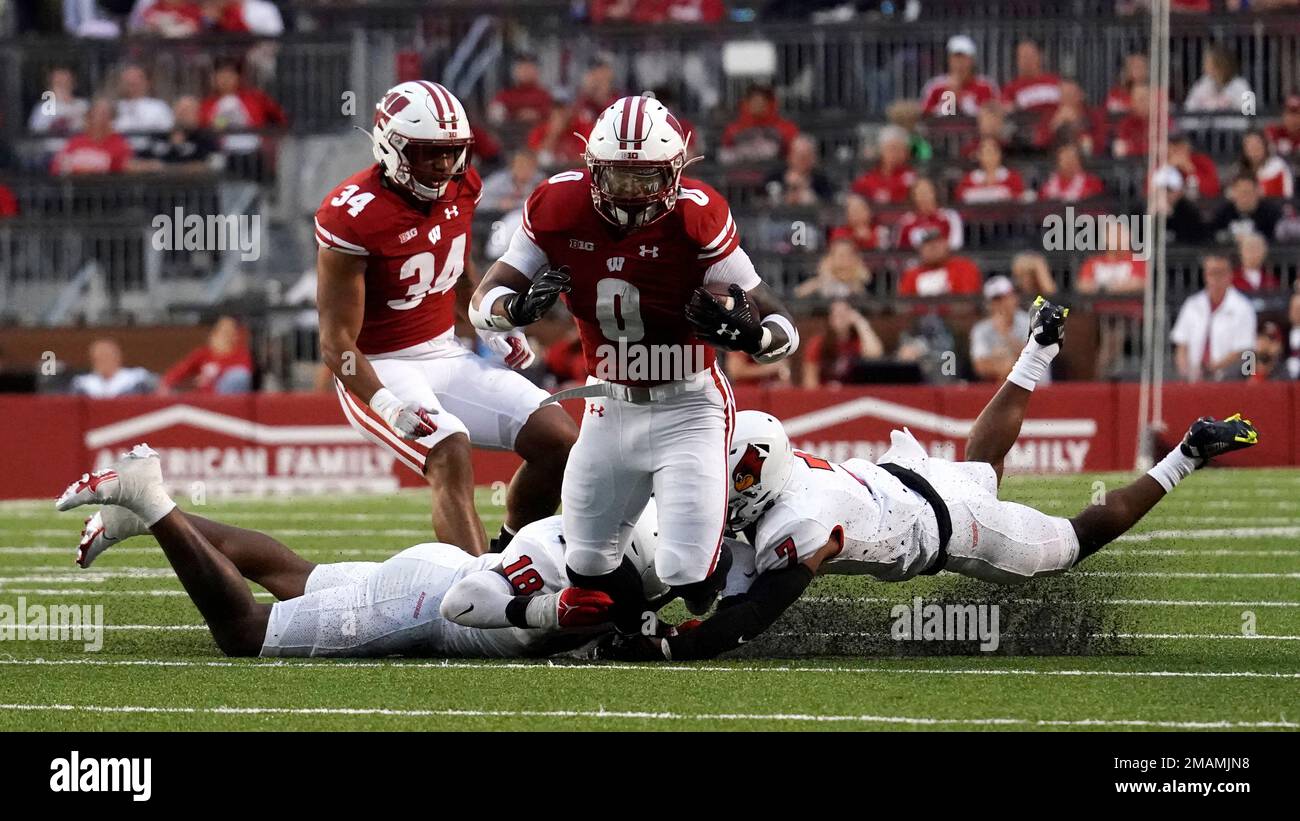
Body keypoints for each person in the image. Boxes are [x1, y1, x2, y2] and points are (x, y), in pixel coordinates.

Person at [594, 299, 1261, 660]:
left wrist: (663, 647)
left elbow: (742, 623)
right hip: (910, 475)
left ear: (752, 480)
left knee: (1070, 540)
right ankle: (1038, 350)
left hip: (953, 527)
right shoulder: (780, 489)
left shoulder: (798, 525)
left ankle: (1187, 452)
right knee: (981, 463)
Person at [471, 93, 797, 627]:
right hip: (609, 405)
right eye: (620, 177)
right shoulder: (556, 207)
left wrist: (751, 337)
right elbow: (482, 303)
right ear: (593, 169)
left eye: (647, 178)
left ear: (675, 170)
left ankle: (739, 560)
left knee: (688, 574)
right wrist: (516, 308)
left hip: (689, 406)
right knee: (587, 561)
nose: (633, 193)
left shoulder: (697, 216)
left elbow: (784, 328)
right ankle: (639, 628)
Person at [56, 446, 683, 658]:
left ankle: (138, 516)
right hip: (430, 600)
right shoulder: (572, 562)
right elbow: (466, 602)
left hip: (433, 571)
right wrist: (545, 614)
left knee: (293, 574)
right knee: (246, 632)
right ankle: (154, 503)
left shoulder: (599, 536)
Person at [315, 82, 577, 558]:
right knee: (450, 450)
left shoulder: (463, 184)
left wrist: (487, 324)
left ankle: (511, 554)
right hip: (379, 364)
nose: (443, 165)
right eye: (427, 153)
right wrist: (387, 404)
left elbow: (455, 269)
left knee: (559, 438)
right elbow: (335, 343)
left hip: (444, 352)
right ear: (389, 146)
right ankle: (477, 588)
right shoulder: (353, 214)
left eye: (452, 152)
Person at [1170, 254, 1257, 382]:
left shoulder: (1242, 307)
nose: (1215, 278)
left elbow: (1243, 350)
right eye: (1211, 273)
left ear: (1230, 275)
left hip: (1229, 380)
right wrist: (1185, 370)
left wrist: (1210, 369)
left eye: (1219, 273)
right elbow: (1181, 344)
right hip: (1193, 380)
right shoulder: (1192, 304)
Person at [159, 315, 254, 394]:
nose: (226, 336)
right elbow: (181, 369)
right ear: (214, 334)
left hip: (226, 399)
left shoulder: (242, 354)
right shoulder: (203, 353)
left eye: (230, 332)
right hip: (204, 399)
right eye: (223, 332)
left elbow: (243, 375)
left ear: (236, 336)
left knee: (238, 376)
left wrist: (210, 377)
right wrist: (167, 383)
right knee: (146, 377)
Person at [801, 299, 884, 389]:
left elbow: (875, 354)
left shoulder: (857, 341)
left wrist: (860, 322)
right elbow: (809, 381)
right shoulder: (818, 343)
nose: (839, 319)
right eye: (836, 315)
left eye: (844, 314)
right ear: (829, 319)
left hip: (852, 394)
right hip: (825, 394)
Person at [969, 276, 1033, 382]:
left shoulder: (1031, 322)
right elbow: (980, 366)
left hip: (1036, 387)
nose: (1002, 303)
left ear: (1015, 298)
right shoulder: (980, 330)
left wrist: (1006, 334)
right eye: (996, 300)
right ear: (988, 305)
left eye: (1006, 297)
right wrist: (1004, 365)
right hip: (1001, 386)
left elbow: (1034, 359)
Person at [135, 95, 223, 172]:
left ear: (197, 113)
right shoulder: (159, 136)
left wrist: (178, 169)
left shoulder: (206, 138)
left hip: (194, 187)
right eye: (180, 109)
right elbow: (137, 161)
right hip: (160, 187)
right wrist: (148, 166)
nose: (182, 114)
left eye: (188, 110)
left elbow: (216, 164)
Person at [50, 99, 138, 175]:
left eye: (106, 115)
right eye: (98, 114)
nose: (102, 119)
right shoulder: (77, 141)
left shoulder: (119, 142)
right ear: (89, 117)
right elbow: (57, 166)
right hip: (78, 189)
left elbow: (126, 165)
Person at [919, 34, 998, 117]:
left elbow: (995, 115)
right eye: (956, 58)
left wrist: (968, 105)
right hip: (943, 129)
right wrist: (950, 98)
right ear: (949, 60)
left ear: (972, 60)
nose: (960, 64)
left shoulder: (986, 86)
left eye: (964, 58)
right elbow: (925, 115)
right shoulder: (935, 86)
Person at [719, 84, 800, 165]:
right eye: (753, 99)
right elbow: (724, 155)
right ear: (746, 102)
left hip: (773, 174)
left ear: (771, 102)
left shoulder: (787, 128)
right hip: (740, 174)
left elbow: (795, 155)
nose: (758, 103)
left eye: (763, 99)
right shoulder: (733, 129)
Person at [898, 230, 982, 297]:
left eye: (937, 243)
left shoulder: (965, 267)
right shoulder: (911, 274)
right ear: (920, 250)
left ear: (946, 245)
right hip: (919, 317)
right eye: (927, 244)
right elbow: (904, 305)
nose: (932, 248)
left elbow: (967, 301)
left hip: (955, 317)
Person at [851, 125, 917, 205]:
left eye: (901, 149)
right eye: (892, 148)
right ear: (881, 150)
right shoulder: (865, 180)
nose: (896, 154)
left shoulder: (914, 179)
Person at [113, 65, 174, 149]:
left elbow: (168, 134)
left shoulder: (159, 107)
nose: (132, 83)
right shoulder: (114, 107)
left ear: (147, 82)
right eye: (128, 81)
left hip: (150, 156)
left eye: (136, 79)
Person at [70, 339, 156, 398]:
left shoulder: (138, 380)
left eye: (106, 356)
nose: (102, 361)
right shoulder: (82, 385)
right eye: (98, 358)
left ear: (117, 358)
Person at [895, 177, 963, 250]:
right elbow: (899, 249)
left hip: (944, 259)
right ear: (913, 197)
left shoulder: (950, 216)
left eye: (927, 192)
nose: (924, 196)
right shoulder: (905, 221)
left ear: (934, 193)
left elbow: (956, 244)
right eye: (919, 193)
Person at [764, 134, 833, 206]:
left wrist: (805, 189)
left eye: (805, 156)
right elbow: (762, 200)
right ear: (789, 156)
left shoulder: (822, 181)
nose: (801, 160)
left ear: (814, 158)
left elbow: (827, 204)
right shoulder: (774, 176)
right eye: (797, 155)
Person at [1211, 174, 1282, 242]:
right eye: (1242, 192)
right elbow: (1212, 237)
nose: (1245, 197)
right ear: (1233, 193)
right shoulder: (1222, 213)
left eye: (1249, 192)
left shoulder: (1271, 214)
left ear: (1258, 192)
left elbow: (1275, 240)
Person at [955, 137, 1027, 204]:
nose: (990, 156)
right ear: (979, 156)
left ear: (999, 155)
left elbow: (1020, 199)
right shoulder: (968, 179)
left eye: (994, 151)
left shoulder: (1013, 177)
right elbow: (960, 199)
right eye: (986, 152)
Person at [487, 54, 554, 125]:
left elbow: (556, 117)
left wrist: (538, 114)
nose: (525, 72)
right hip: (509, 133)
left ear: (537, 72)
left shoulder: (546, 96)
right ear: (515, 72)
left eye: (529, 68)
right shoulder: (504, 96)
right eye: (522, 68)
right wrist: (515, 115)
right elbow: (494, 116)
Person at [795, 237, 871, 299]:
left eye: (848, 254)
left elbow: (865, 279)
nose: (845, 259)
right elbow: (799, 293)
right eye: (840, 255)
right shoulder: (820, 281)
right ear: (830, 257)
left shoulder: (860, 280)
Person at [1184, 45, 1253, 113]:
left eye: (1209, 64)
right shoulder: (1203, 84)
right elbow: (1189, 108)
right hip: (1205, 124)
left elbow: (1249, 112)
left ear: (1221, 64)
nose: (1205, 68)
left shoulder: (1241, 85)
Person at [999, 39, 1061, 113]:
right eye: (1022, 57)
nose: (1027, 60)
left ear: (1040, 56)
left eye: (1030, 55)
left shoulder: (1056, 82)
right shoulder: (1011, 88)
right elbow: (1005, 109)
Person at [27, 67, 87, 136]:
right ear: (50, 85)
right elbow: (36, 134)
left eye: (67, 81)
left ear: (74, 83)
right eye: (59, 82)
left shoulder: (83, 105)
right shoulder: (44, 108)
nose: (64, 85)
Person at [1238, 129, 1294, 199]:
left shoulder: (1278, 167)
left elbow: (1287, 195)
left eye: (1257, 144)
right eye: (1249, 145)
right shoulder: (1238, 170)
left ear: (1265, 146)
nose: (1254, 148)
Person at [1039, 142, 1104, 202]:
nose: (1069, 163)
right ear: (1057, 164)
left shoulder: (1093, 183)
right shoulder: (1047, 185)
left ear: (1079, 163)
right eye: (1064, 160)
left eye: (1072, 159)